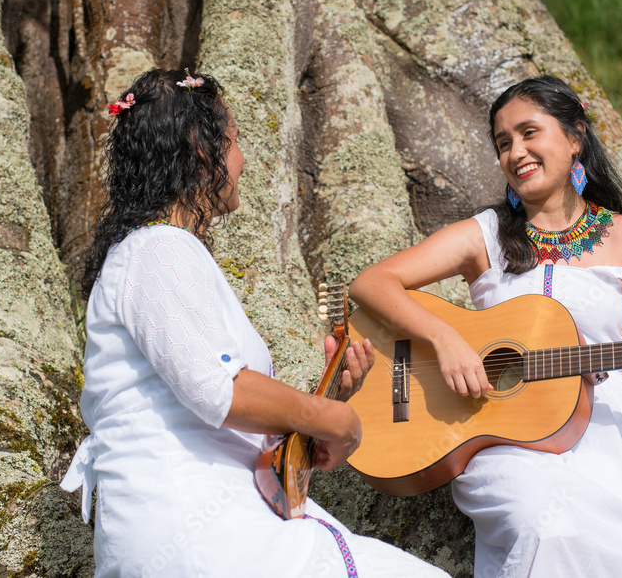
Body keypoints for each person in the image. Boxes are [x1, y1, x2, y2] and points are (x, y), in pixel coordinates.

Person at [348, 75, 622, 577]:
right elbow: (372, 284)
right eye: (503, 142)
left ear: (574, 137)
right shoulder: (486, 234)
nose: (515, 151)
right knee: (542, 518)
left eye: (528, 133)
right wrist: (447, 339)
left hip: (605, 440)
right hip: (500, 436)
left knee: (586, 528)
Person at [60, 68, 448, 578]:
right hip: (199, 533)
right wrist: (332, 420)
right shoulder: (157, 250)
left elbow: (231, 423)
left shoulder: (159, 254)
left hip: (219, 527)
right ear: (203, 149)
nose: (241, 162)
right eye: (236, 142)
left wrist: (332, 398)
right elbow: (218, 391)